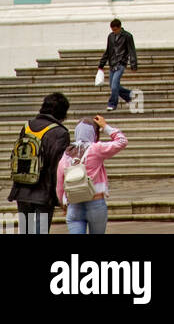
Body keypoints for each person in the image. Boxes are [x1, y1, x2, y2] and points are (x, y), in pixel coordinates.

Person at [8, 91, 70, 233]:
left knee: (25, 231)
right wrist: (61, 196)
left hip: (22, 189)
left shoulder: (27, 126)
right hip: (43, 193)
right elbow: (58, 167)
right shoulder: (60, 133)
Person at [56, 115, 128, 235]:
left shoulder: (67, 154)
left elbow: (60, 183)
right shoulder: (96, 149)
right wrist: (105, 126)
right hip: (96, 202)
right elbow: (122, 141)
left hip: (74, 204)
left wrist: (62, 203)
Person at [98, 18, 138, 112]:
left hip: (121, 63)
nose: (114, 32)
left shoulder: (127, 36)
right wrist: (101, 64)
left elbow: (132, 51)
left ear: (120, 27)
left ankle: (112, 104)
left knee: (115, 84)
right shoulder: (110, 36)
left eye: (116, 30)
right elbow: (108, 51)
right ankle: (129, 95)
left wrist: (133, 64)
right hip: (112, 63)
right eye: (113, 30)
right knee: (113, 86)